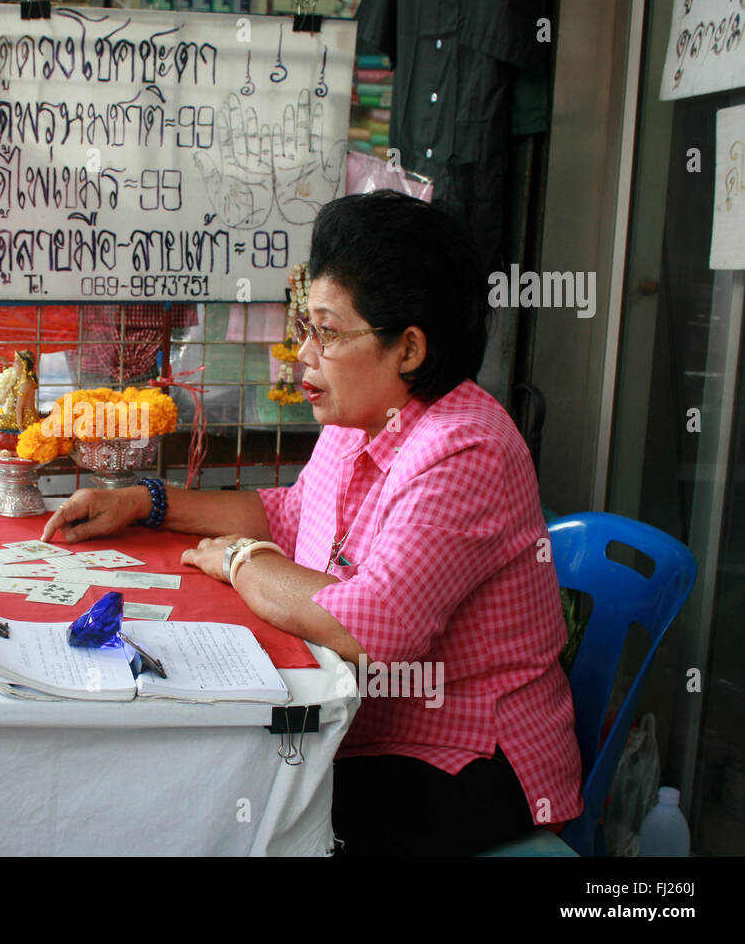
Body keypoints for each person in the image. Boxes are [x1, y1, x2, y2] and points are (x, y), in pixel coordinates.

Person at [39, 190, 584, 856]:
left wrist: (243, 562)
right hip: (365, 723)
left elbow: (368, 626)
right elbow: (289, 514)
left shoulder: (465, 448)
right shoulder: (365, 416)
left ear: (408, 348)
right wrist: (146, 501)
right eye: (306, 327)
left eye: (326, 332)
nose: (302, 355)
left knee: (219, 801)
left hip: (464, 756)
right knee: (198, 780)